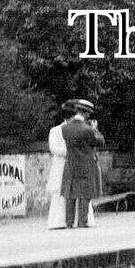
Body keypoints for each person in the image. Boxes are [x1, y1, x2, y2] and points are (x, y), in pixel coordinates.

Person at [46, 99, 97, 229]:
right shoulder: (56, 130)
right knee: (60, 192)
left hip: (74, 163)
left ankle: (81, 220)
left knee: (78, 192)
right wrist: (70, 152)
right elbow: (54, 149)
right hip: (61, 164)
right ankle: (58, 221)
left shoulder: (79, 129)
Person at [59, 98, 104, 229]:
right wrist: (95, 129)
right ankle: (82, 222)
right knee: (85, 194)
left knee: (70, 194)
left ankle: (69, 222)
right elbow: (100, 142)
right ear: (86, 113)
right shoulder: (87, 129)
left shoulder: (65, 128)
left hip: (71, 164)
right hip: (85, 164)